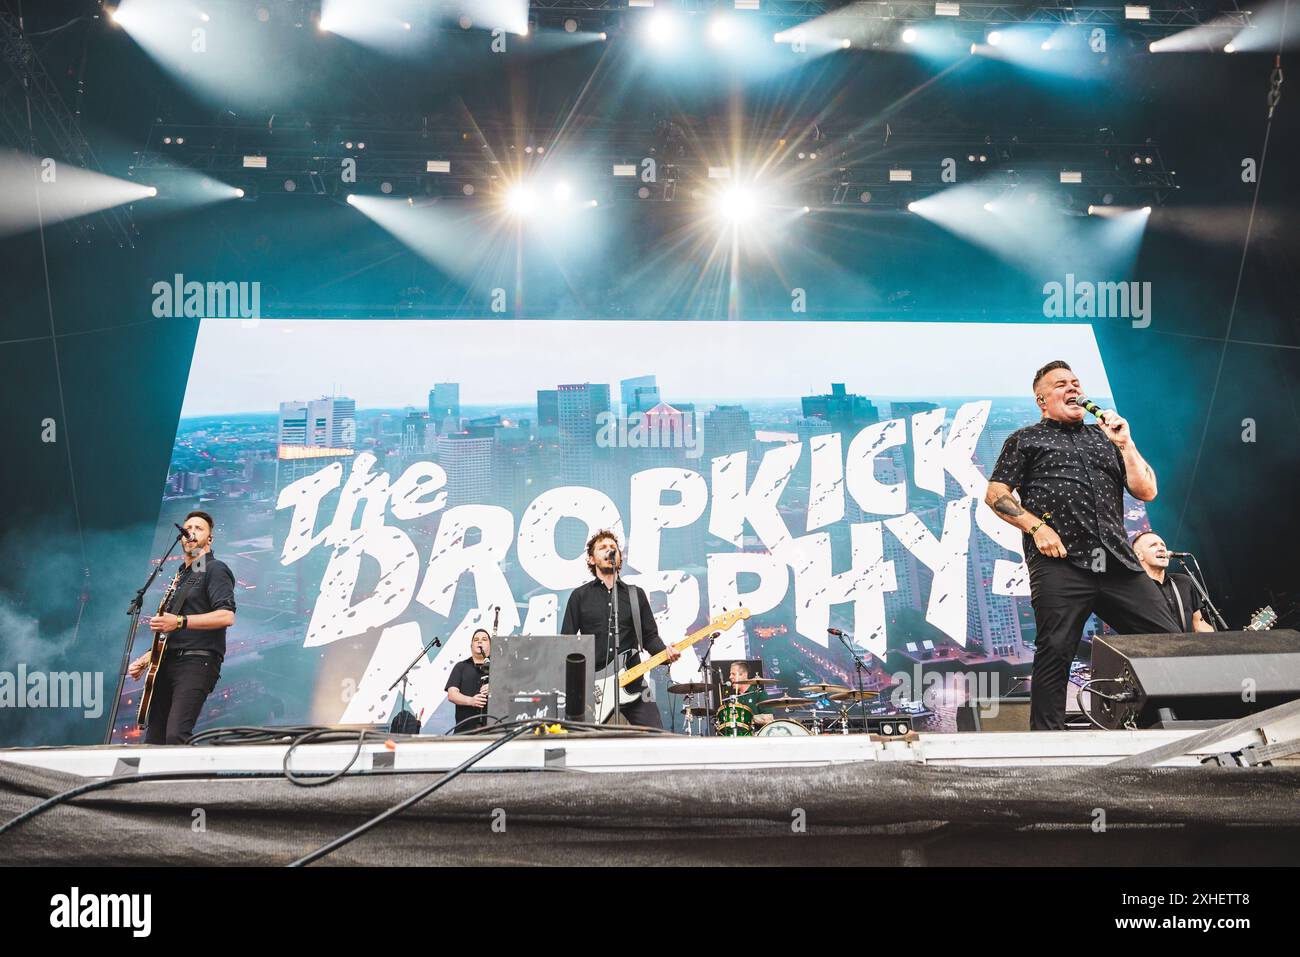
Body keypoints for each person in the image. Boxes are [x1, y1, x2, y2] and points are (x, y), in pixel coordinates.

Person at [984, 361, 1180, 730]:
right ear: (1042, 399)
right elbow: (996, 493)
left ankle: (1167, 727)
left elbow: (1147, 490)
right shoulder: (1025, 439)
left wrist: (1126, 443)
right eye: (1061, 384)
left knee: (1168, 642)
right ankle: (1049, 743)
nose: (1072, 388)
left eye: (1076, 382)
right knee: (1056, 650)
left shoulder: (1105, 438)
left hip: (1117, 562)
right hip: (1061, 562)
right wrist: (1035, 526)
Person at [128, 510, 236, 744]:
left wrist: (178, 621)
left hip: (197, 662)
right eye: (189, 528)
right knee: (154, 739)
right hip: (168, 663)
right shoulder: (185, 575)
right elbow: (173, 631)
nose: (192, 532)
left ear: (210, 539)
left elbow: (226, 616)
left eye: (199, 528)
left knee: (176, 734)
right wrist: (148, 657)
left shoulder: (215, 568)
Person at [560, 529, 680, 727]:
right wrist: (578, 685)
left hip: (633, 681)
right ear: (591, 559)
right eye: (603, 548)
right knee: (582, 743)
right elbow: (567, 643)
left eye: (613, 547)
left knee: (655, 734)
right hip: (593, 685)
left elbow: (650, 637)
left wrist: (665, 653)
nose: (609, 550)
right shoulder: (579, 596)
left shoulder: (636, 595)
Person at [1133, 531, 1215, 633]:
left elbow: (1198, 624)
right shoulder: (1134, 588)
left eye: (1163, 545)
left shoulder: (1184, 582)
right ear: (1139, 555)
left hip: (1187, 646)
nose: (1162, 548)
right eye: (1153, 545)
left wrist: (1224, 641)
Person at [444, 629, 492, 732]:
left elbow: (511, 692)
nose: (479, 641)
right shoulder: (460, 667)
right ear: (471, 646)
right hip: (464, 733)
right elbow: (452, 695)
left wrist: (495, 688)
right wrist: (471, 701)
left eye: (484, 639)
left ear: (491, 646)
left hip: (494, 731)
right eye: (476, 640)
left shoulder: (499, 667)